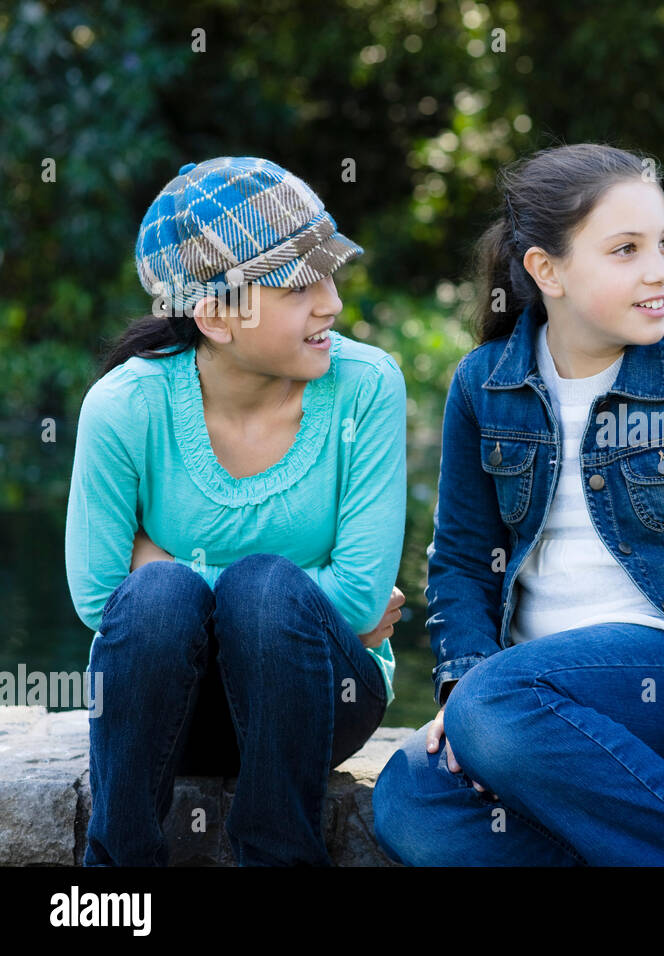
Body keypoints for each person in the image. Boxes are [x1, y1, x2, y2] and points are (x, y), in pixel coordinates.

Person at [372, 143, 664, 866]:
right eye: (626, 250)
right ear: (545, 270)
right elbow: (460, 563)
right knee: (408, 795)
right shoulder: (484, 386)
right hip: (530, 709)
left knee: (493, 702)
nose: (660, 271)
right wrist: (462, 682)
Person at [64, 157, 407, 866]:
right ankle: (118, 877)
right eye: (300, 286)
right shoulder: (125, 407)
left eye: (331, 275)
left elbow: (364, 595)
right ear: (216, 315)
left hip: (322, 700)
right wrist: (296, 593)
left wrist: (198, 573)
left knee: (258, 587)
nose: (333, 303)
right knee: (160, 596)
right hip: (169, 711)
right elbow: (102, 598)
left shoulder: (366, 387)